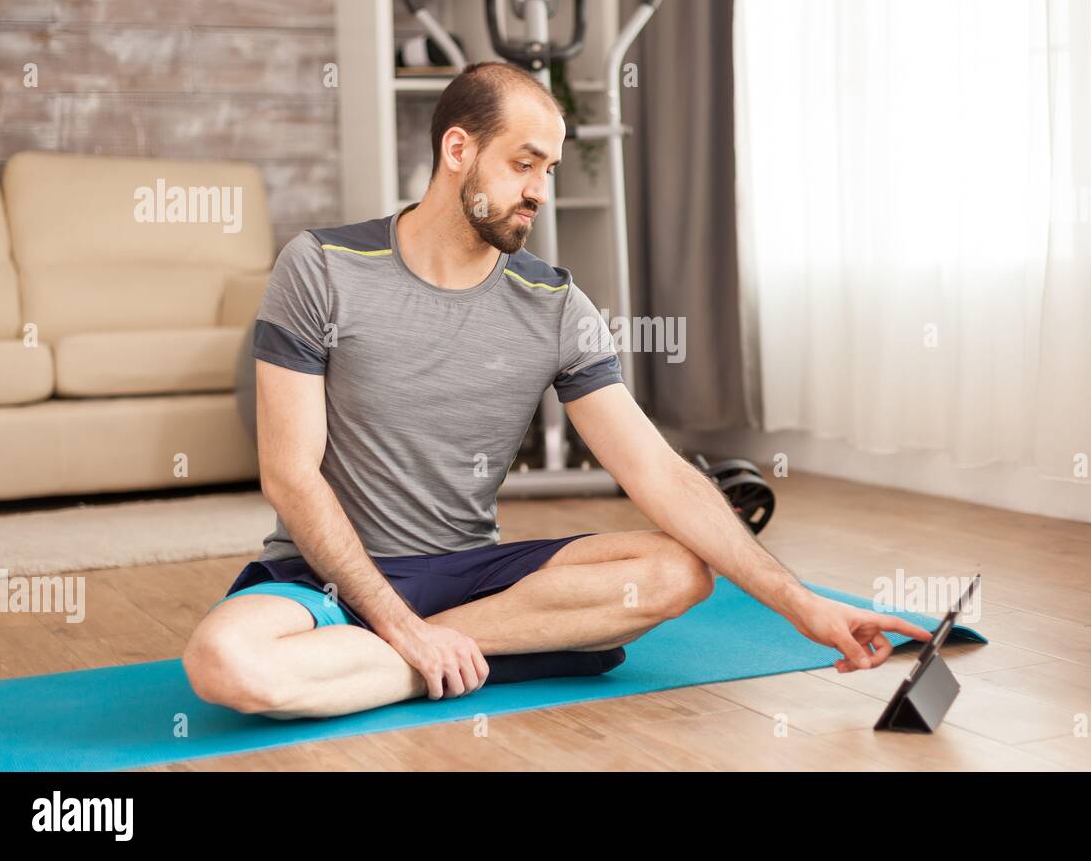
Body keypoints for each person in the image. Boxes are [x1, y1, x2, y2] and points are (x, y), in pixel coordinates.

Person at [181, 61, 931, 720]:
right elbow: (289, 474)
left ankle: (440, 653)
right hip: (327, 579)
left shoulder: (553, 304)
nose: (540, 191)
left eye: (550, 171)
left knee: (676, 572)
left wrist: (802, 606)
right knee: (225, 662)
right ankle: (468, 654)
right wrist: (403, 625)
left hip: (473, 576)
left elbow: (657, 473)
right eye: (525, 164)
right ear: (457, 150)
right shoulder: (322, 267)